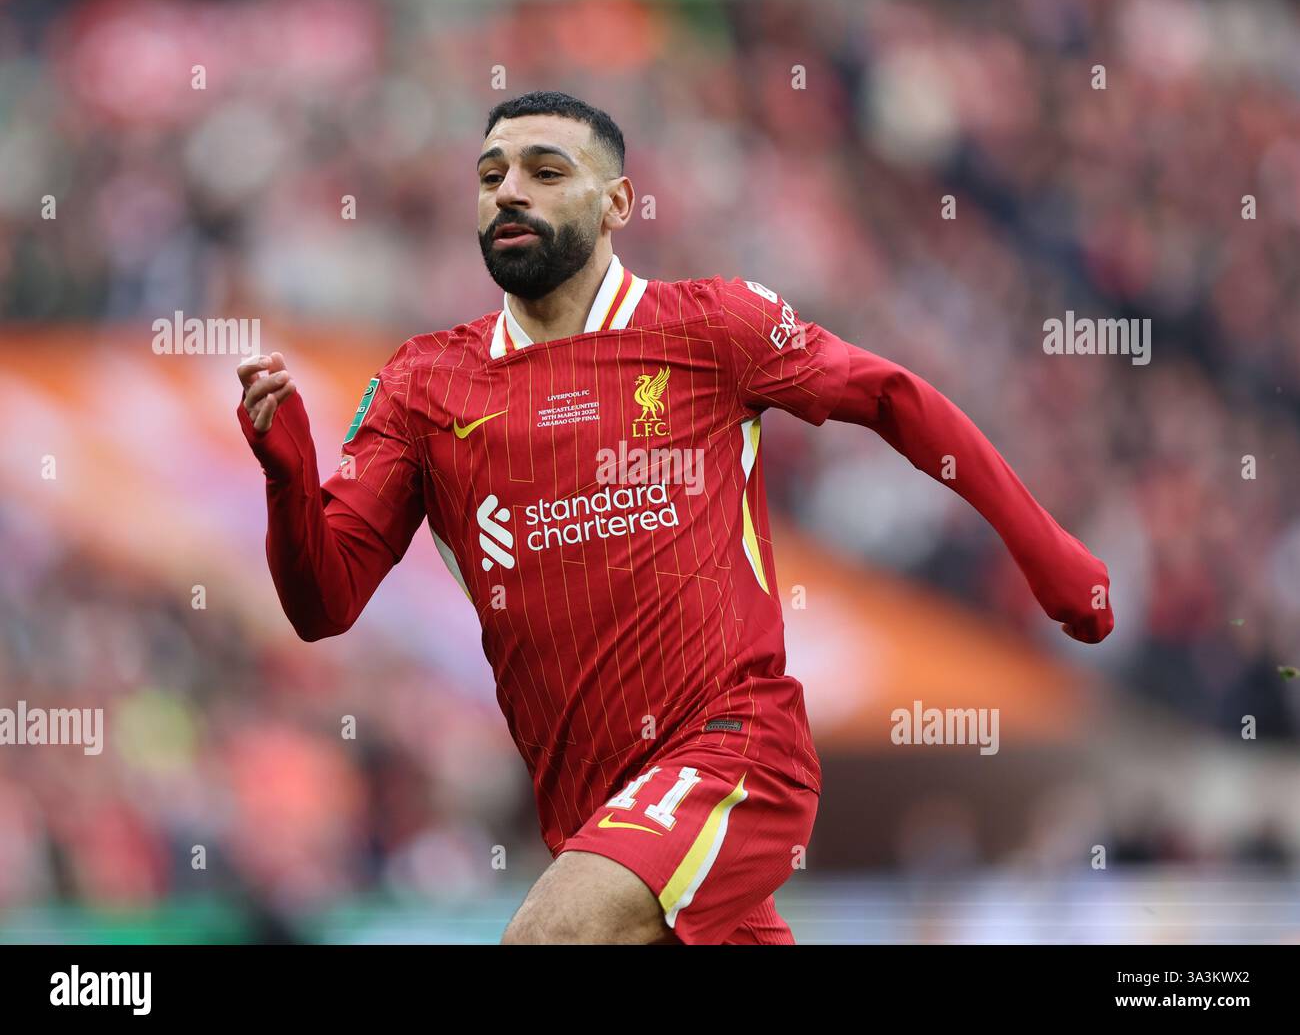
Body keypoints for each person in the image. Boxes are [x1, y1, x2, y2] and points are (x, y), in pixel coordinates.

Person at [236, 90, 1113, 945]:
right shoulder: (423, 385)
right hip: (595, 819)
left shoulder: (711, 327)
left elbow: (892, 397)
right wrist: (287, 475)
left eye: (545, 170)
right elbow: (324, 604)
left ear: (617, 202)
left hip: (733, 756)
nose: (509, 190)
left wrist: (1045, 550)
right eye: (491, 173)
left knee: (550, 938)